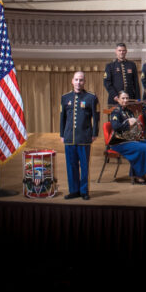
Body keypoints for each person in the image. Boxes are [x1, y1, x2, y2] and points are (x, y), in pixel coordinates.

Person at [108, 91, 146, 184]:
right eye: (123, 98)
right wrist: (128, 123)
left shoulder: (129, 111)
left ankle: (144, 172)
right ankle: (137, 175)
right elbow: (116, 127)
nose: (125, 100)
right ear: (118, 100)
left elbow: (134, 126)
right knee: (141, 149)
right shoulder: (115, 112)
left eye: (127, 98)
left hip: (130, 139)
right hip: (119, 142)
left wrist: (138, 125)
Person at [59, 71, 99, 199]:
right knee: (71, 165)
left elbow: (96, 118)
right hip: (69, 137)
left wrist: (94, 134)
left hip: (84, 137)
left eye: (81, 80)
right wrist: (62, 134)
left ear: (84, 82)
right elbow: (62, 118)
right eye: (76, 80)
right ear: (72, 81)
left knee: (84, 166)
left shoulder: (91, 97)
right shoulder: (65, 98)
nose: (78, 82)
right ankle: (74, 190)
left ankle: (84, 191)